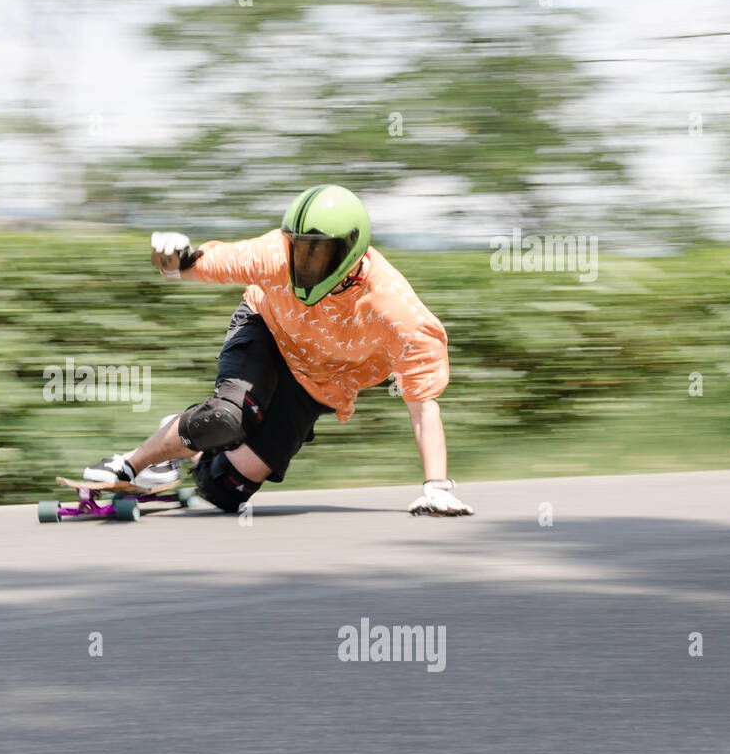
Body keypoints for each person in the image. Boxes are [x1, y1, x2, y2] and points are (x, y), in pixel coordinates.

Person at [82, 183, 474, 516]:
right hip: (266, 331)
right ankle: (130, 464)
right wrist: (171, 260)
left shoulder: (394, 307)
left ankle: (188, 444)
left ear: (353, 250)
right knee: (226, 416)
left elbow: (422, 404)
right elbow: (200, 265)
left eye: (319, 253)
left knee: (224, 490)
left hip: (318, 385)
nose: (304, 263)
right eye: (299, 249)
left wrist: (436, 486)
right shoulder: (274, 254)